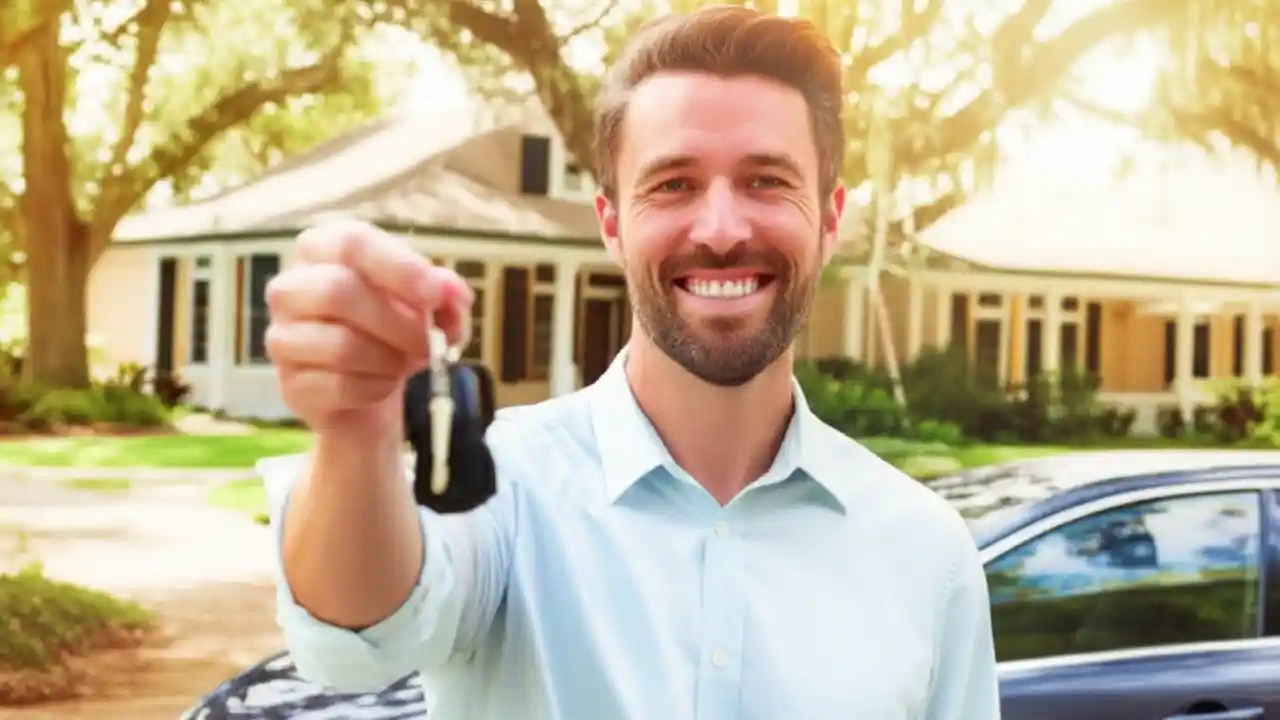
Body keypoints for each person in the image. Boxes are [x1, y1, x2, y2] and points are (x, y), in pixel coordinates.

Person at [259, 5, 1001, 719]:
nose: (719, 228)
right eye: (673, 183)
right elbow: (355, 639)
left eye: (766, 181)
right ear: (611, 223)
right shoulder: (501, 491)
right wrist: (355, 435)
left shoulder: (927, 553)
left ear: (831, 218)